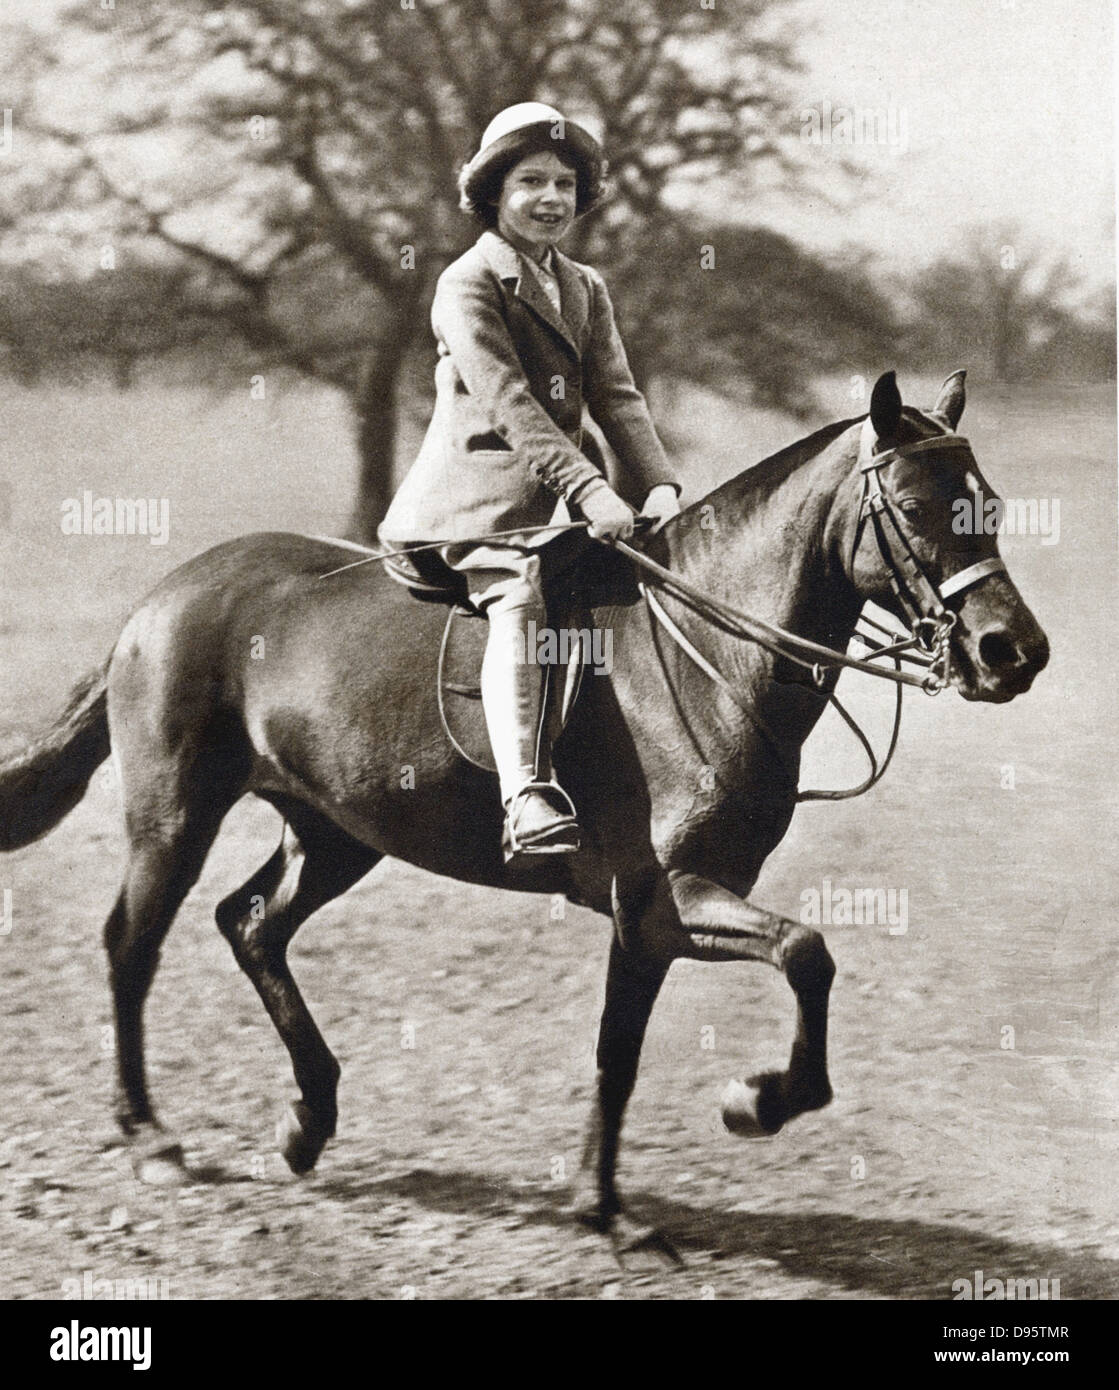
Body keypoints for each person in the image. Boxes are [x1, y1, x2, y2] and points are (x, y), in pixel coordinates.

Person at [379, 102, 680, 857]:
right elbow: (510, 405)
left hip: (573, 501)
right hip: (475, 507)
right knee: (519, 593)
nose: (550, 199)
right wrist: (592, 490)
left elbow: (616, 395)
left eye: (565, 185)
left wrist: (658, 485)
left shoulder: (584, 285)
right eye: (530, 181)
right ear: (492, 193)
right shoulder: (466, 281)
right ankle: (525, 794)